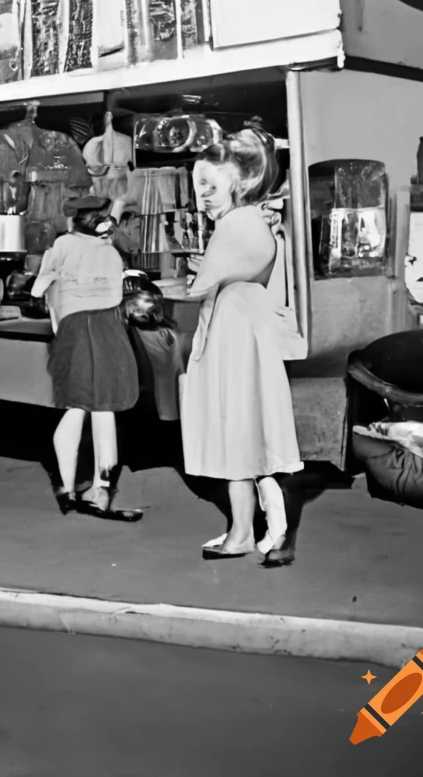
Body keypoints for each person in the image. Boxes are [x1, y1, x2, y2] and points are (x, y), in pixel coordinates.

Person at [179, 128, 303, 565]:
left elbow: (199, 286)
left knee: (237, 438)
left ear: (240, 180)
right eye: (200, 187)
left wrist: (198, 273)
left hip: (234, 341)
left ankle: (243, 534)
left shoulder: (235, 225)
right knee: (248, 436)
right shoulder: (256, 221)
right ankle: (257, 529)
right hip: (245, 333)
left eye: (210, 186)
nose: (203, 197)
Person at [31, 195, 142, 521]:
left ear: (72, 221)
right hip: (109, 328)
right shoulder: (110, 250)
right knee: (104, 409)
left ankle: (66, 489)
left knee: (75, 406)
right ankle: (101, 492)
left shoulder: (64, 244)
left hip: (75, 330)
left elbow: (38, 291)